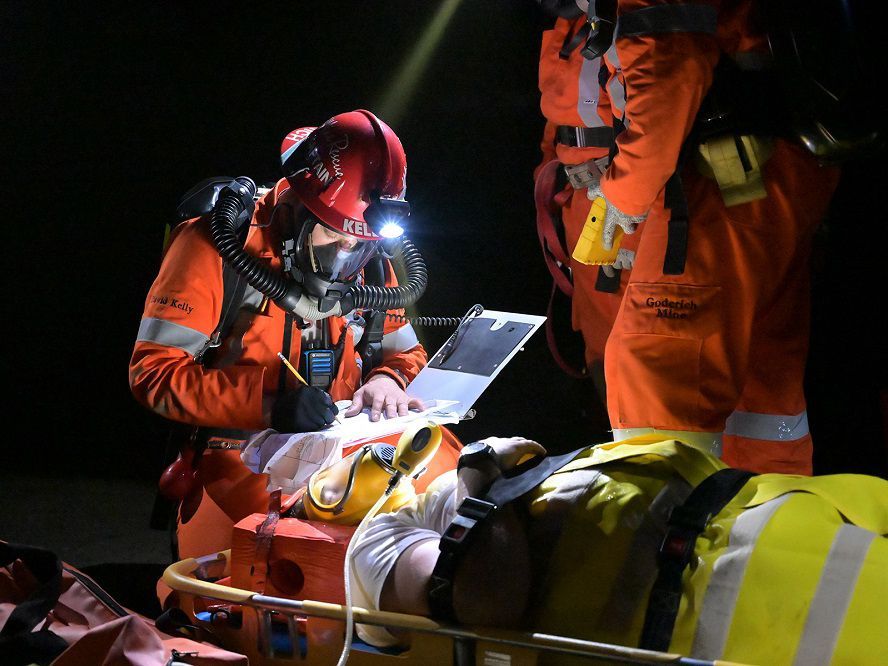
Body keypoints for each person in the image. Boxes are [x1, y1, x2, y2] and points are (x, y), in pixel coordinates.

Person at [129, 109, 462, 566]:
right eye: (333, 237)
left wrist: (389, 379)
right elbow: (154, 375)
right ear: (300, 207)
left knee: (454, 486)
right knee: (323, 553)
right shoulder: (215, 247)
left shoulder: (372, 259)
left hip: (346, 443)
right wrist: (271, 405)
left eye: (358, 244)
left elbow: (407, 354)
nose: (346, 257)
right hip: (242, 454)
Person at [565, 0, 843, 474]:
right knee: (759, 390)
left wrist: (623, 194)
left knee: (659, 373)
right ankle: (766, 530)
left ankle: (659, 534)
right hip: (766, 168)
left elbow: (669, 68)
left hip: (721, 178)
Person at [349, 434, 888, 665]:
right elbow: (484, 604)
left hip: (823, 522)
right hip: (778, 620)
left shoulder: (441, 485)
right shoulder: (371, 542)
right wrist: (480, 478)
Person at [533, 2, 642, 399]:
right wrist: (551, 181)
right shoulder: (569, 21)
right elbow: (559, 119)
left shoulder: (626, 11)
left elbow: (656, 109)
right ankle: (619, 441)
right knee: (598, 335)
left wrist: (628, 193)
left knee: (649, 331)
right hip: (583, 202)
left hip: (629, 198)